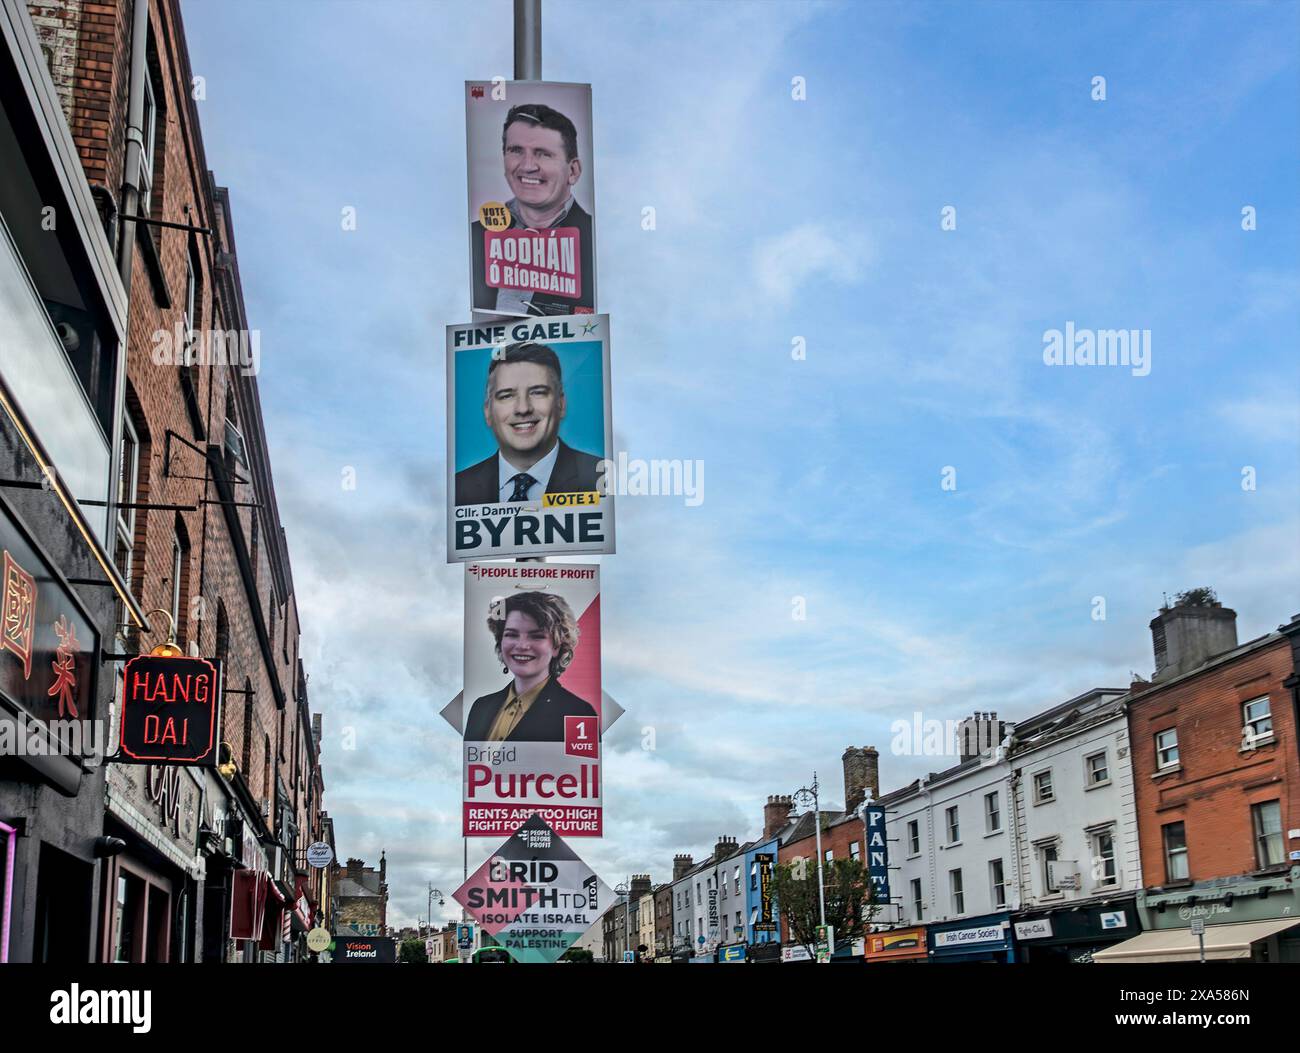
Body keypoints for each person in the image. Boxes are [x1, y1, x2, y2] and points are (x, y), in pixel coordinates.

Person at [470, 102, 595, 315]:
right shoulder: (474, 236)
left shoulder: (596, 240)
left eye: (543, 154)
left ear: (573, 171)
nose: (528, 166)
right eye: (516, 151)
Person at [454, 341, 601, 506]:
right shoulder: (458, 488)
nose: (523, 408)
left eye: (537, 392)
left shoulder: (599, 477)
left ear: (561, 404)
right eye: (506, 396)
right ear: (488, 411)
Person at [464, 591, 596, 742]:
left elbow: (582, 765)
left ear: (557, 646)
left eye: (537, 636)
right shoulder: (481, 707)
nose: (522, 646)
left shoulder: (578, 712)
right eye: (511, 634)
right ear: (500, 641)